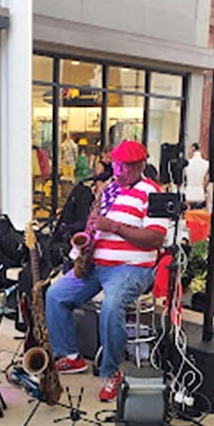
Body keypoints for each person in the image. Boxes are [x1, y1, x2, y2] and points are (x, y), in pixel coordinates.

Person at [45, 139, 168, 401]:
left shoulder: (152, 193)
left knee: (111, 307)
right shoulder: (110, 189)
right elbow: (98, 225)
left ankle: (112, 372)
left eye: (123, 167)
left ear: (139, 166)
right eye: (115, 165)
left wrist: (115, 227)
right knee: (55, 294)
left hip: (131, 268)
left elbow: (156, 238)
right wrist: (86, 239)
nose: (117, 171)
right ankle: (70, 356)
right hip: (96, 263)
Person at [183, 142, 209, 209]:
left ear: (192, 150)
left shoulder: (187, 163)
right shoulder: (206, 164)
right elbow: (207, 178)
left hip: (188, 193)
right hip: (200, 193)